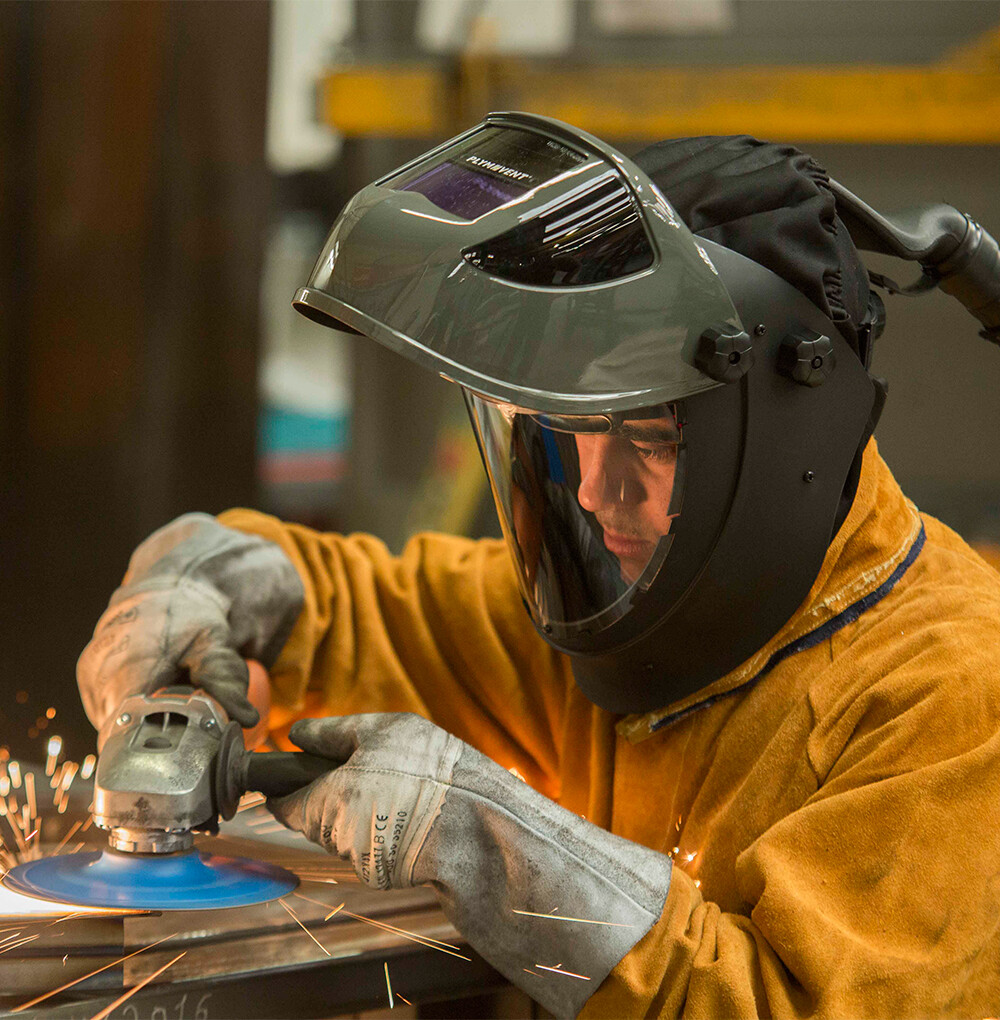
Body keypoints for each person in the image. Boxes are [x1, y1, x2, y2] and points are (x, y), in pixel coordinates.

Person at [78, 116, 1000, 1018]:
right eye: (571, 435)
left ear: (784, 431)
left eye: (650, 439)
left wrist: (488, 841)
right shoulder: (645, 612)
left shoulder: (954, 698)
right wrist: (220, 580)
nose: (597, 493)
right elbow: (377, 615)